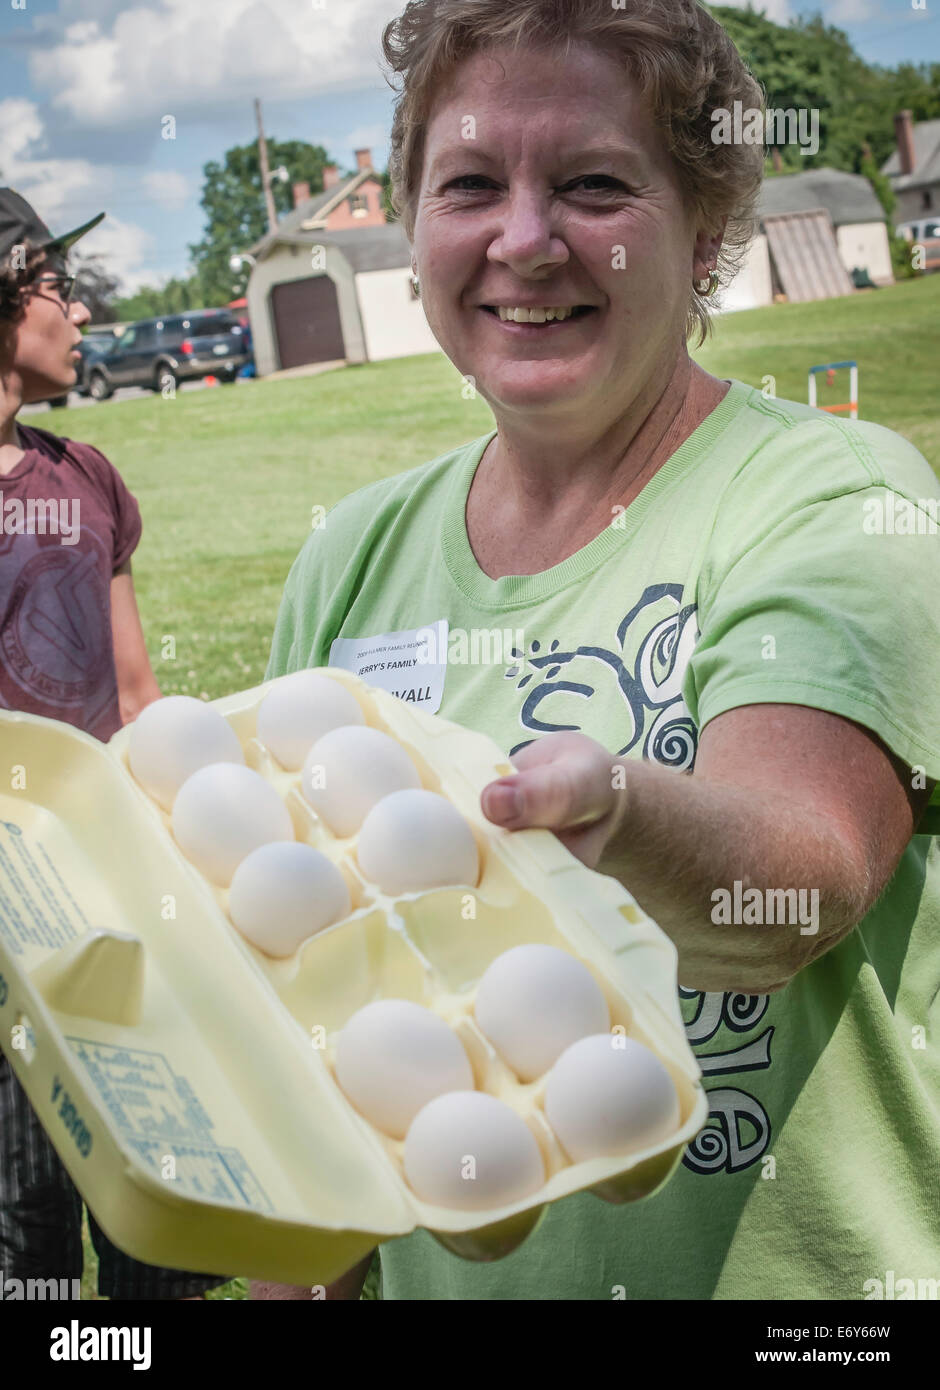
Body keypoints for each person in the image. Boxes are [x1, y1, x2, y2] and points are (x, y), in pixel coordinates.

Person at [258, 0, 940, 1301]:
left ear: (707, 231)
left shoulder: (832, 495)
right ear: (413, 228)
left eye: (592, 183)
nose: (524, 239)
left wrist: (613, 813)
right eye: (469, 184)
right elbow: (326, 1046)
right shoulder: (350, 558)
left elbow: (800, 885)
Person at [0, 188, 227, 1300]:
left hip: (113, 904)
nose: (82, 312)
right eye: (57, 287)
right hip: (4, 934)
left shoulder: (87, 477)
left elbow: (137, 702)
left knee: (159, 1205)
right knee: (22, 1218)